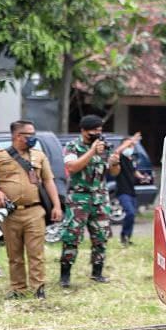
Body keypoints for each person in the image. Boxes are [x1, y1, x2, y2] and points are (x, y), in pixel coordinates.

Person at [0, 120, 62, 298]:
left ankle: (38, 288)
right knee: (14, 254)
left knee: (36, 253)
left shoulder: (39, 156)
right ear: (18, 136)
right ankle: (18, 289)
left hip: (34, 211)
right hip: (10, 213)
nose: (33, 138)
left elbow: (48, 181)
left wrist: (56, 205)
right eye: (29, 135)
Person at [60, 115, 121, 286]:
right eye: (94, 130)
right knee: (72, 237)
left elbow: (114, 172)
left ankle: (97, 273)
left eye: (100, 130)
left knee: (101, 237)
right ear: (84, 131)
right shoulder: (73, 146)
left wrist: (115, 163)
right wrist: (92, 151)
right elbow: (71, 167)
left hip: (100, 199)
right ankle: (65, 276)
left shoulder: (104, 147)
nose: (97, 134)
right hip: (78, 199)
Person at [112, 132, 150, 246]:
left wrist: (143, 177)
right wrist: (131, 140)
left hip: (132, 191)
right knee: (130, 213)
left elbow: (134, 172)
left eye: (131, 146)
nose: (130, 148)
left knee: (132, 216)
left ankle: (128, 238)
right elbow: (117, 151)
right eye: (128, 146)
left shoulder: (131, 158)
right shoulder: (121, 157)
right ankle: (123, 236)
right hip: (123, 191)